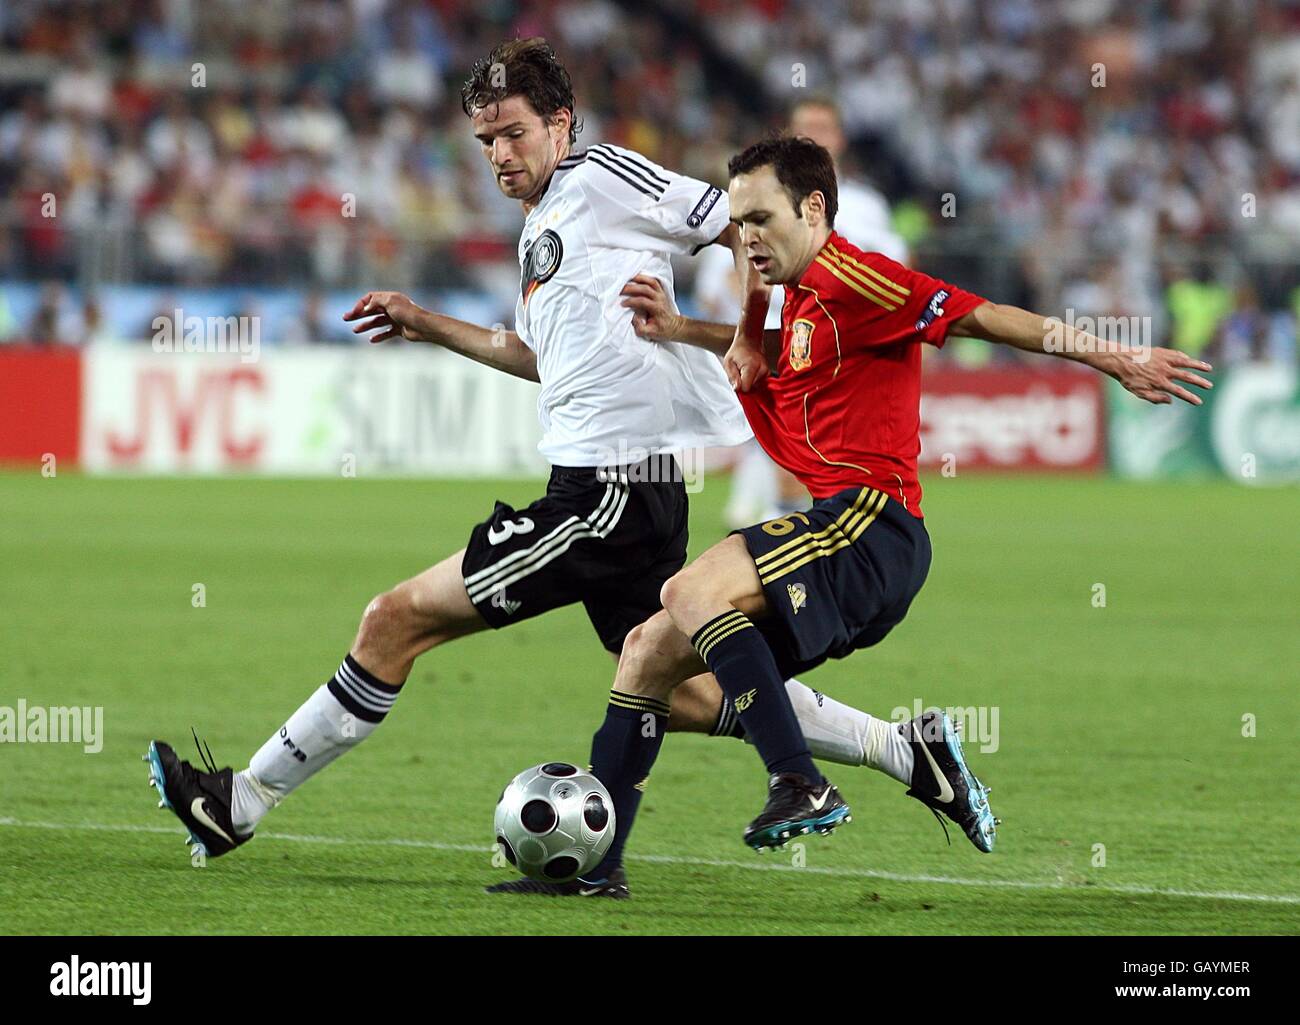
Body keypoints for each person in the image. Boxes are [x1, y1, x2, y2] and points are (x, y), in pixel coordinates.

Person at [142, 40, 909, 899]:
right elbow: (535, 354)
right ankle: (908, 751)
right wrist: (425, 320)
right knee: (681, 688)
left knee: (394, 619)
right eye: (485, 142)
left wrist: (749, 334)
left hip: (607, 497)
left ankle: (239, 802)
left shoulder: (607, 177)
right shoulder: (545, 225)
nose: (500, 155)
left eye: (512, 133)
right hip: (620, 493)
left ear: (560, 124)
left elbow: (734, 219)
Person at [603, 135, 1213, 857]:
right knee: (655, 667)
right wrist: (686, 331)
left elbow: (987, 315)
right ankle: (596, 866)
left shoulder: (861, 281)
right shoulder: (792, 294)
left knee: (689, 592)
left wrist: (1115, 355)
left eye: (763, 219)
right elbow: (770, 348)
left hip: (872, 524)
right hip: (839, 525)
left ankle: (800, 780)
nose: (748, 239)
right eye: (739, 224)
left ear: (815, 208)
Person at [697, 97, 907, 528]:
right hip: (777, 336)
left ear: (841, 138)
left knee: (819, 453)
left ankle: (777, 525)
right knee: (788, 440)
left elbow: (896, 276)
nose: (815, 136)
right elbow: (721, 275)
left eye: (823, 127)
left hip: (844, 347)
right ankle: (782, 528)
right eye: (804, 128)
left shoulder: (866, 206)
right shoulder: (761, 194)